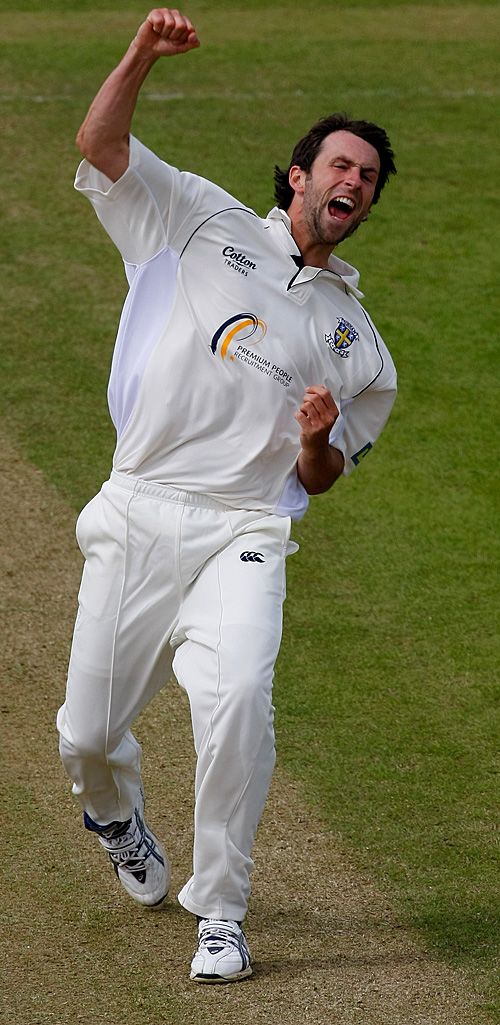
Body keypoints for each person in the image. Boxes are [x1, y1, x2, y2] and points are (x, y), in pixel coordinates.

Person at [57, 7, 397, 985]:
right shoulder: (196, 216)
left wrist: (312, 439)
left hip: (246, 528)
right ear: (297, 176)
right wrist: (141, 54)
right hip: (141, 506)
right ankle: (115, 811)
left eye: (366, 177)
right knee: (86, 731)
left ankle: (222, 914)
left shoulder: (362, 349)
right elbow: (100, 143)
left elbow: (317, 481)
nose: (351, 182)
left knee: (240, 699)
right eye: (338, 165)